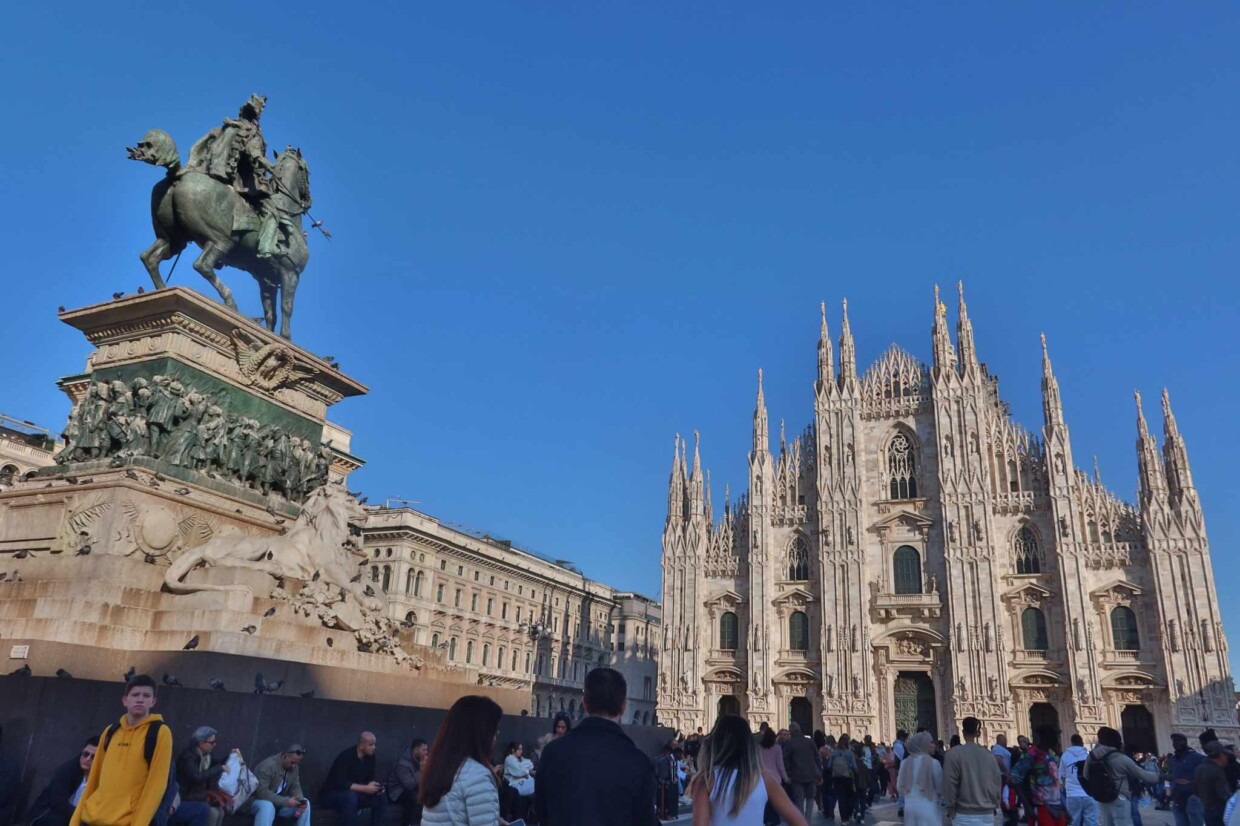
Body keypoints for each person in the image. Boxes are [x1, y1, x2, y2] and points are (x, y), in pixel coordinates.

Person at [534, 667, 658, 826]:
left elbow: (541, 811)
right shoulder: (639, 763)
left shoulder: (552, 752)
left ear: (585, 704)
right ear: (623, 707)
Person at [69, 674, 174, 826]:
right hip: (92, 818)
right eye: (135, 695)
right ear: (125, 700)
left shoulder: (160, 732)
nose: (140, 699)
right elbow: (93, 778)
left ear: (153, 701)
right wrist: (74, 821)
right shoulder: (110, 732)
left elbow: (156, 786)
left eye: (146, 695)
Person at [687, 715, 806, 826]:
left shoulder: (707, 780)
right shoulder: (764, 779)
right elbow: (800, 822)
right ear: (748, 744)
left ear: (716, 743)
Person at [419, 696, 502, 826]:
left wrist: (493, 818)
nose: (495, 738)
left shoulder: (439, 768)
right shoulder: (478, 775)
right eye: (494, 732)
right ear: (481, 733)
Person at [1085, 727, 1160, 826]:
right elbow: (1143, 775)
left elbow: (1086, 775)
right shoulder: (1121, 758)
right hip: (1120, 799)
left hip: (1102, 799)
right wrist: (1161, 776)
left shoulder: (1092, 757)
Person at [319, 732, 388, 826]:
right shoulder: (345, 757)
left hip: (356, 795)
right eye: (371, 744)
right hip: (332, 794)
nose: (374, 747)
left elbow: (370, 778)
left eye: (375, 744)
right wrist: (365, 789)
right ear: (361, 745)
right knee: (350, 797)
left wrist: (376, 787)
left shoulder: (370, 758)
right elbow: (341, 784)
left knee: (380, 796)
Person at [942, 717, 1001, 826]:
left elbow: (950, 783)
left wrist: (950, 807)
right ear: (978, 733)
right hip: (987, 813)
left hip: (964, 814)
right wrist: (995, 803)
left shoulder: (953, 754)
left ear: (963, 732)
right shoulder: (989, 755)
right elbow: (996, 782)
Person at [27, 737, 99, 826]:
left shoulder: (100, 779)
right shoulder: (67, 770)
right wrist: (81, 817)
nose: (88, 759)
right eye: (85, 754)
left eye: (93, 757)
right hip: (48, 816)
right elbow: (58, 802)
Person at [1012, 727, 1067, 826]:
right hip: (1040, 806)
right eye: (1056, 737)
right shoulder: (1030, 755)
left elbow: (1055, 783)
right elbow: (1014, 779)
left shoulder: (1050, 756)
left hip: (1057, 806)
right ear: (1046, 738)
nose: (1058, 740)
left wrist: (1064, 808)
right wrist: (1027, 806)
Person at [247, 745, 311, 826]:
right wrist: (286, 801)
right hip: (255, 801)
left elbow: (295, 787)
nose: (294, 766)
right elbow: (261, 793)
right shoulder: (268, 766)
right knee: (267, 806)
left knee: (306, 803)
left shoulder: (294, 768)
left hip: (279, 803)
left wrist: (300, 803)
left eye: (296, 763)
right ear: (285, 756)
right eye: (292, 762)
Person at [897, 732, 942, 826]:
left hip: (910, 807)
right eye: (930, 742)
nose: (933, 745)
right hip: (929, 807)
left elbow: (899, 786)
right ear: (923, 745)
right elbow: (940, 787)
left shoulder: (904, 763)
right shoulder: (934, 763)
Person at [782, 723, 822, 825]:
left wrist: (789, 773)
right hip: (811, 775)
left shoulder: (790, 743)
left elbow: (785, 759)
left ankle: (800, 823)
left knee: (799, 801)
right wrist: (819, 773)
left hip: (797, 777)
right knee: (810, 799)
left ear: (791, 731)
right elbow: (817, 758)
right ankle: (807, 821)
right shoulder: (809, 741)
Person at [386, 739, 428, 826]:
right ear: (416, 750)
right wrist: (421, 770)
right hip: (397, 791)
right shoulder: (403, 763)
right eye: (423, 750)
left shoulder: (420, 759)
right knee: (413, 797)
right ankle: (406, 824)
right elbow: (409, 785)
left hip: (412, 787)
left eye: (426, 749)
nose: (426, 752)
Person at [1169, 734, 1206, 826]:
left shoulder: (1196, 757)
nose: (1176, 743)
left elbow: (1206, 774)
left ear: (1185, 742)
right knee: (1180, 822)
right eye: (1174, 741)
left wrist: (1191, 783)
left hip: (1193, 796)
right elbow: (1171, 774)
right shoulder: (1173, 759)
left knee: (1196, 821)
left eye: (1179, 740)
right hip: (1178, 796)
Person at [1062, 734, 1099, 826]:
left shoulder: (1065, 756)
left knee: (1073, 821)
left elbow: (1062, 776)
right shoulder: (1089, 757)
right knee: (1092, 821)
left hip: (1072, 794)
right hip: (1089, 794)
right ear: (1082, 743)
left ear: (1072, 743)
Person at [1194, 743, 1235, 826]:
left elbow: (1195, 790)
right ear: (1220, 755)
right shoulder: (1216, 770)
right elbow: (1224, 794)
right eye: (1225, 755)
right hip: (1220, 811)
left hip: (1207, 809)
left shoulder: (1199, 768)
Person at [758, 728, 790, 826]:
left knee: (765, 801)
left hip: (762, 778)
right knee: (775, 801)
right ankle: (774, 820)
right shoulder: (777, 748)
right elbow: (780, 765)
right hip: (775, 779)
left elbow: (757, 764)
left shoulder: (759, 748)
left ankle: (765, 819)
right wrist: (786, 778)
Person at [825, 734, 857, 822]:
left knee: (841, 798)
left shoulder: (834, 753)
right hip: (847, 777)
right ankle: (849, 814)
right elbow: (854, 766)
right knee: (849, 797)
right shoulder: (850, 753)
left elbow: (829, 766)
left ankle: (843, 819)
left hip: (836, 777)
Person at [501, 742, 535, 822]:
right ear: (513, 750)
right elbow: (519, 771)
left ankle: (534, 808)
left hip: (523, 783)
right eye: (519, 749)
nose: (521, 751)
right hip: (516, 785)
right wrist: (525, 770)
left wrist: (522, 766)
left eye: (521, 749)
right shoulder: (509, 759)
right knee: (537, 783)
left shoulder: (519, 759)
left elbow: (531, 764)